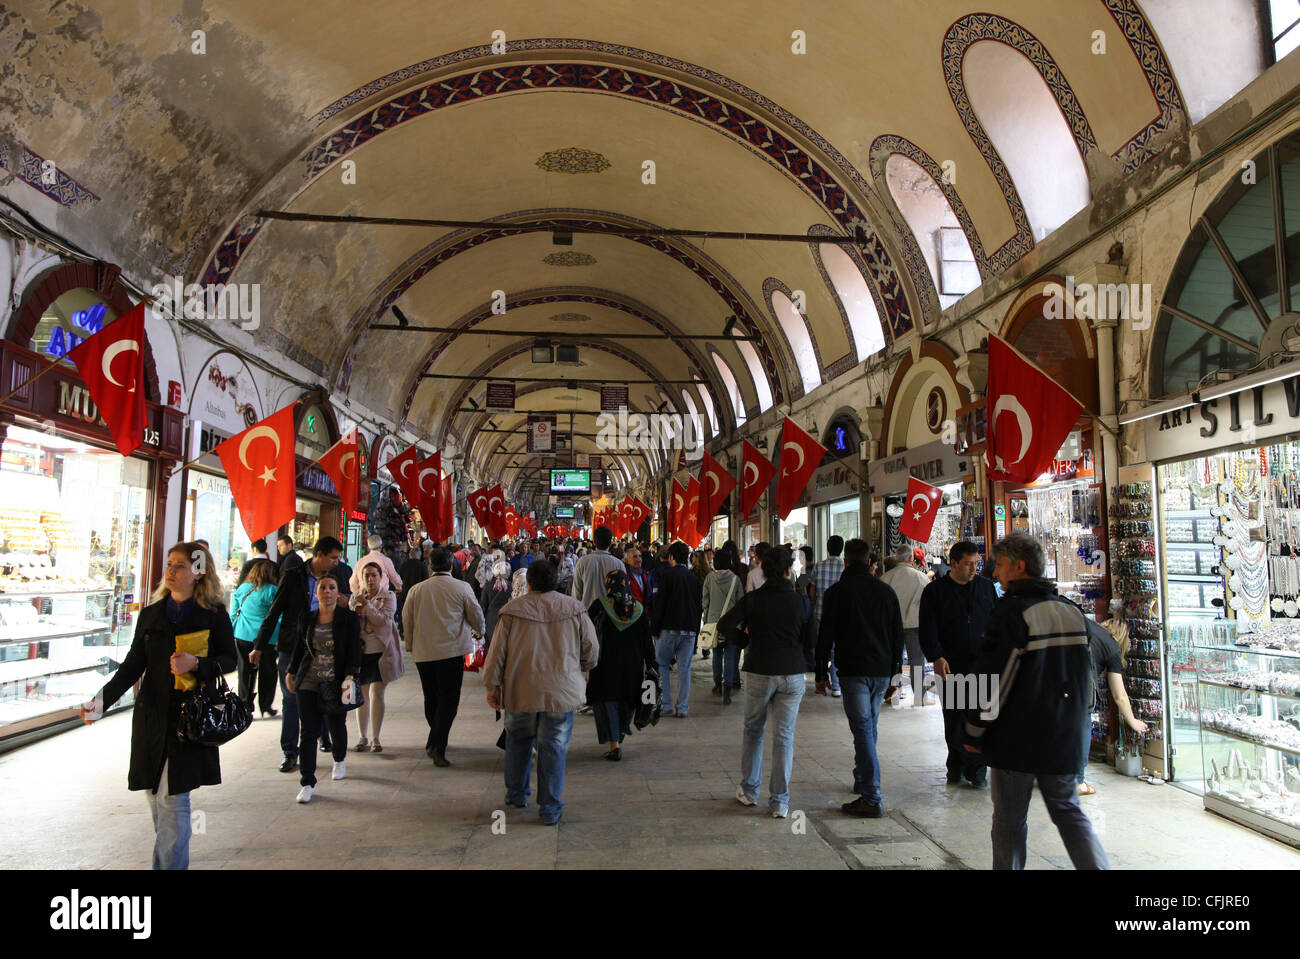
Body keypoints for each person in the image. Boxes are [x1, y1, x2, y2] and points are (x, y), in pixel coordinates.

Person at [81, 541, 237, 869]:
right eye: (169, 564)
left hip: (189, 719)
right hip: (152, 717)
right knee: (155, 797)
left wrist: (197, 663)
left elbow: (229, 660)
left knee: (173, 800)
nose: (170, 571)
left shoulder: (213, 615)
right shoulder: (152, 615)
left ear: (198, 572)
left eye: (179, 565)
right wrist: (99, 704)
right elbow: (132, 666)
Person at [963, 532, 1109, 870]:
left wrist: (973, 730)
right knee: (1069, 813)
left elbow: (994, 680)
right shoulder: (1071, 611)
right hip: (1066, 735)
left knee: (1009, 823)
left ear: (1020, 567)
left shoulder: (1011, 613)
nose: (995, 573)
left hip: (1019, 739)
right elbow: (1087, 678)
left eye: (999, 566)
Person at [483, 559, 599, 824]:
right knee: (554, 747)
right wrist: (586, 667)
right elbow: (591, 649)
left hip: (519, 690)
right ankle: (549, 808)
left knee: (518, 741)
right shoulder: (574, 609)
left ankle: (516, 794)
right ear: (556, 580)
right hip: (560, 692)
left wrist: (492, 686)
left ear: (529, 583)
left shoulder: (512, 610)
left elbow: (496, 654)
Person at [718, 545, 814, 818]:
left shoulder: (753, 600)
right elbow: (812, 637)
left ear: (764, 569)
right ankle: (780, 802)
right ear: (788, 570)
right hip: (792, 672)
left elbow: (725, 625)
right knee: (784, 738)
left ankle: (749, 791)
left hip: (759, 669)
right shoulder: (800, 601)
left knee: (753, 731)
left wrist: (745, 640)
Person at [816, 538, 905, 818]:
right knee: (870, 726)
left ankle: (872, 796)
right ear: (869, 562)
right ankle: (862, 778)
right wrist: (895, 673)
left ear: (845, 562)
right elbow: (897, 636)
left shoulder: (836, 593)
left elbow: (824, 636)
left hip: (853, 670)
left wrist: (820, 672)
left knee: (864, 729)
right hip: (880, 672)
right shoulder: (885, 593)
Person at [250, 536, 345, 773]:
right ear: (319, 554)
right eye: (333, 557)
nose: (336, 562)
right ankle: (290, 752)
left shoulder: (336, 578)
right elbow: (274, 612)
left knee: (324, 694)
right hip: (292, 647)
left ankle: (323, 737)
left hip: (324, 646)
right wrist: (259, 646)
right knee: (291, 698)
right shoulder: (294, 576)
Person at [918, 541, 999, 788]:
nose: (973, 569)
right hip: (951, 666)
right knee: (954, 717)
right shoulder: (935, 592)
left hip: (983, 665)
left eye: (977, 564)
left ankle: (978, 768)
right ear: (954, 563)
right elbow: (928, 629)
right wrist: (937, 656)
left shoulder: (986, 588)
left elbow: (996, 622)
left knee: (981, 716)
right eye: (968, 564)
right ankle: (956, 764)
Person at [403, 546, 485, 766]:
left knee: (431, 697)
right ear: (451, 565)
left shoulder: (417, 590)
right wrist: (481, 630)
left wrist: (410, 645)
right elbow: (476, 615)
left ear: (429, 566)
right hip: (451, 652)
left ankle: (437, 737)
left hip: (424, 652)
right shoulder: (462, 587)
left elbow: (407, 620)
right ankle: (437, 743)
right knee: (449, 700)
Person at [286, 575, 362, 802]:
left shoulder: (348, 619)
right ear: (316, 592)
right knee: (308, 731)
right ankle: (307, 781)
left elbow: (354, 648)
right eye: (322, 588)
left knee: (336, 723)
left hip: (336, 679)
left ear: (338, 592)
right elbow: (299, 648)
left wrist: (351, 673)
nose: (327, 592)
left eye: (331, 588)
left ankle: (339, 759)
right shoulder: (307, 618)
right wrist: (291, 671)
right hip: (309, 680)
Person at [586, 570, 654, 760]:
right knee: (629, 700)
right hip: (632, 666)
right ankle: (622, 728)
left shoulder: (600, 606)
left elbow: (586, 633)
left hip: (605, 665)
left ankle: (614, 743)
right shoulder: (638, 610)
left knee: (607, 702)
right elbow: (647, 642)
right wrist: (651, 663)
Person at [1079, 618, 1148, 796]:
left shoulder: (1091, 627)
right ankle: (1078, 780)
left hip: (1059, 679)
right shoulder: (1113, 649)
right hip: (1081, 687)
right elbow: (1119, 695)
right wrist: (1132, 721)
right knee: (1082, 728)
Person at [350, 561, 404, 753]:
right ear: (361, 578)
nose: (370, 579)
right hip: (360, 653)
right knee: (362, 695)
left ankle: (375, 738)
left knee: (377, 694)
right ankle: (362, 737)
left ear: (381, 577)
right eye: (366, 576)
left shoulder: (388, 596)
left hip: (381, 652)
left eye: (374, 575)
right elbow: (350, 622)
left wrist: (365, 607)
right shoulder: (355, 597)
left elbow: (383, 621)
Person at [650, 541, 703, 718]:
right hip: (689, 630)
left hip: (668, 628)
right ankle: (682, 707)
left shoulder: (667, 576)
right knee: (684, 668)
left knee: (662, 664)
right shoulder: (694, 579)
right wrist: (695, 630)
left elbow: (660, 604)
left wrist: (654, 629)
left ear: (671, 557)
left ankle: (666, 704)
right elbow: (698, 607)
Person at [879, 545, 932, 705]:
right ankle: (920, 697)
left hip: (891, 626)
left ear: (897, 557)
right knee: (917, 661)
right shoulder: (922, 578)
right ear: (910, 558)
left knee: (894, 661)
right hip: (914, 625)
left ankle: (892, 694)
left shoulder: (886, 578)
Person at [231, 558, 281, 717]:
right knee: (268, 671)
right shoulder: (273, 591)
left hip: (242, 634)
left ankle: (244, 703)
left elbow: (233, 613)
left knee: (244, 670)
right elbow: (278, 616)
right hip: (265, 638)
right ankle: (265, 705)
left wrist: (231, 631)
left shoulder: (243, 588)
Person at [702, 549, 743, 703]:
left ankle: (717, 684)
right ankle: (728, 689)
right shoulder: (735, 580)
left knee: (717, 655)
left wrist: (706, 618)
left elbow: (705, 601)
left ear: (716, 562)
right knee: (730, 656)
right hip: (731, 624)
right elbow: (741, 601)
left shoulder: (709, 578)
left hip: (714, 623)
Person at [810, 536, 845, 698]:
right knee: (837, 649)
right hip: (840, 614)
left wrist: (816, 605)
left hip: (820, 613)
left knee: (822, 649)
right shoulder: (845, 567)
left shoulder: (818, 566)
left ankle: (822, 679)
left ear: (827, 548)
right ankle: (837, 684)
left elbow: (812, 592)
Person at [572, 526, 626, 611]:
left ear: (594, 542)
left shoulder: (582, 562)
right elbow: (623, 591)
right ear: (610, 543)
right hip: (611, 614)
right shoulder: (618, 564)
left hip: (587, 613)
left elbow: (576, 593)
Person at [480, 559, 513, 648]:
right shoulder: (512, 586)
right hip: (507, 619)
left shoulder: (488, 586)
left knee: (491, 646)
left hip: (490, 619)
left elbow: (483, 605)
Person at [624, 547, 657, 615]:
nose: (639, 559)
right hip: (632, 614)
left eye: (640, 556)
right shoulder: (624, 576)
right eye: (635, 557)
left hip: (643, 613)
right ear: (627, 560)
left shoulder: (644, 573)